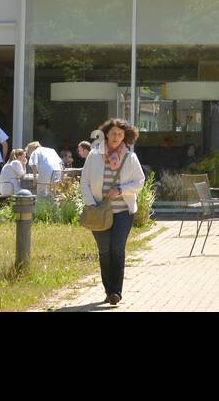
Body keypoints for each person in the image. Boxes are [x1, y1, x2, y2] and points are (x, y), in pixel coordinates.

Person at [80, 118, 146, 305]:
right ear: (106, 134)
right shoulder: (94, 155)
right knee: (104, 251)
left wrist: (121, 189)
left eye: (120, 134)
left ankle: (116, 292)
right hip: (98, 211)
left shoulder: (130, 157)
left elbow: (139, 182)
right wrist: (90, 203)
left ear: (126, 136)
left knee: (117, 249)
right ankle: (109, 290)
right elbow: (84, 182)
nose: (116, 137)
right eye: (113, 133)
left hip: (123, 211)